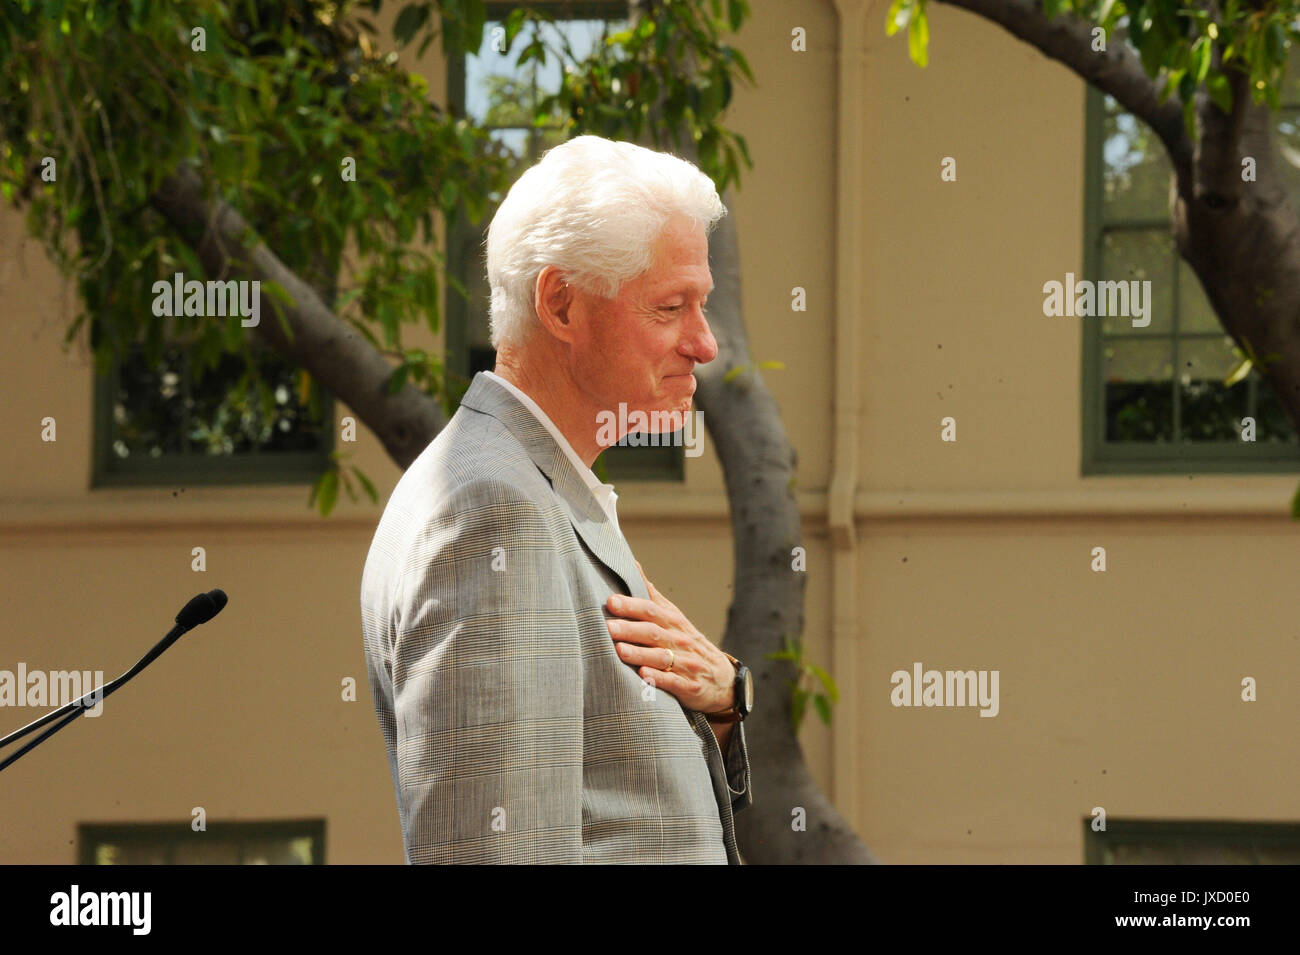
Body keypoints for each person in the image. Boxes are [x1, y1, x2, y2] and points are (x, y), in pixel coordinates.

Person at [360, 135, 754, 864]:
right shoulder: (490, 507)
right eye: (671, 306)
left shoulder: (519, 484)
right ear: (561, 303)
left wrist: (725, 702)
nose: (704, 343)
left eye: (702, 305)